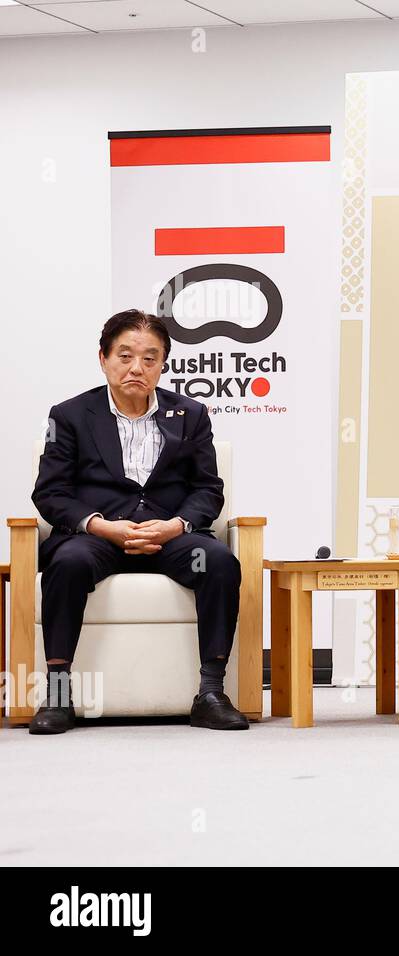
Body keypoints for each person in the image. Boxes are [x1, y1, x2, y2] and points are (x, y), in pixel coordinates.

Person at [29, 309, 248, 734]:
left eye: (150, 358)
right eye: (125, 355)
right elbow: (50, 492)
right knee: (68, 563)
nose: (137, 368)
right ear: (103, 358)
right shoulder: (70, 415)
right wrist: (98, 525)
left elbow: (208, 489)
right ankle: (58, 696)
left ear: (163, 363)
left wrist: (177, 525)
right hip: (97, 537)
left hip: (168, 536)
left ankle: (210, 693)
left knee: (218, 561)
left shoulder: (191, 415)